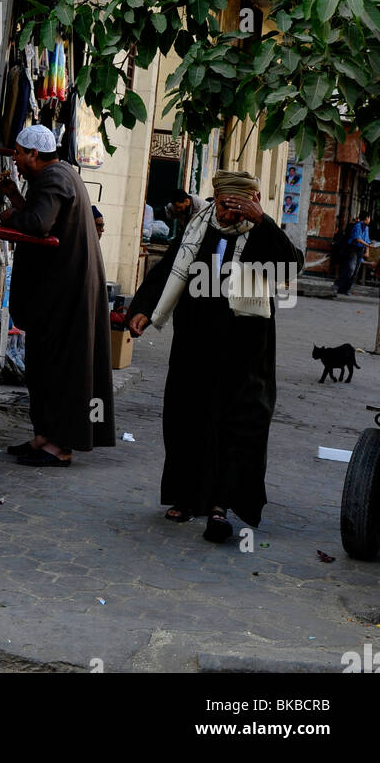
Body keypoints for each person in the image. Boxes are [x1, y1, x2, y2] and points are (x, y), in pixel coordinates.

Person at [127, 169, 303, 543]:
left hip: (245, 349)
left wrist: (263, 222)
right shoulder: (198, 226)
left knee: (237, 422)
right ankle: (186, 497)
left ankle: (221, 505)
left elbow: (290, 266)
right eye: (225, 205)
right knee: (186, 418)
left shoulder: (260, 232)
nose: (229, 215)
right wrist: (143, 307)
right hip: (195, 342)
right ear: (215, 200)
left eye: (239, 207)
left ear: (253, 202)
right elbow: (168, 270)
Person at [0, 125, 114, 466]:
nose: (15, 159)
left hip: (67, 290)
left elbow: (38, 224)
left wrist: (11, 216)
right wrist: (14, 197)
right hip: (62, 288)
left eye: (18, 153)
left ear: (34, 155)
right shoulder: (60, 175)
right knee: (43, 364)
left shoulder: (53, 179)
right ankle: (44, 435)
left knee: (61, 366)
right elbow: (41, 217)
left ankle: (60, 446)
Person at [337, 211, 372, 295]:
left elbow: (367, 240)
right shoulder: (358, 226)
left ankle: (346, 289)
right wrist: (368, 245)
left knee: (355, 271)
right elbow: (358, 239)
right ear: (366, 218)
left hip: (360, 250)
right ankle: (338, 285)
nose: (370, 219)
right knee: (350, 269)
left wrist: (367, 250)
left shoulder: (366, 228)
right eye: (369, 217)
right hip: (353, 249)